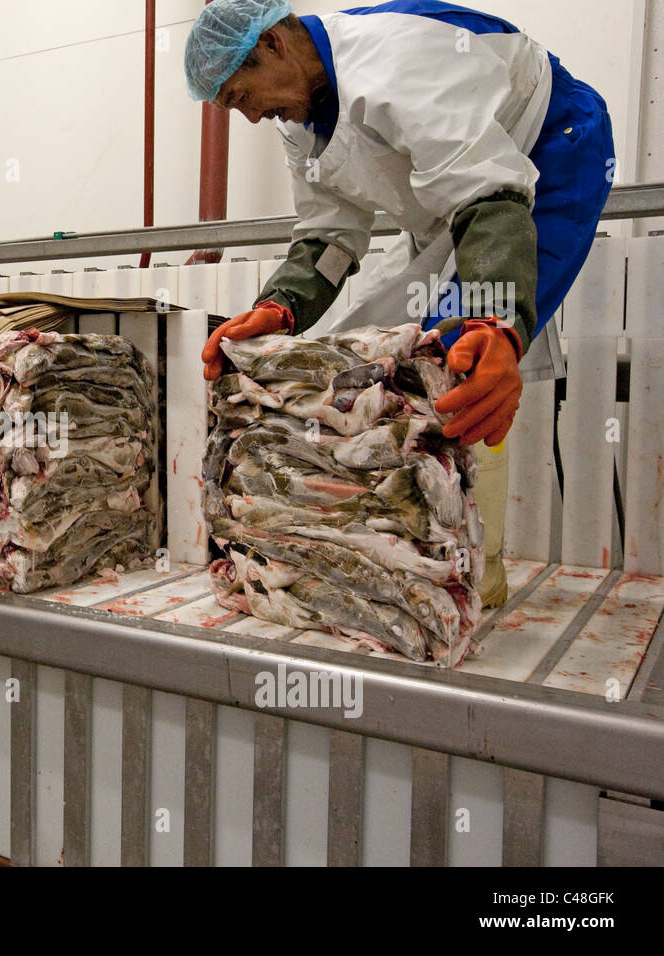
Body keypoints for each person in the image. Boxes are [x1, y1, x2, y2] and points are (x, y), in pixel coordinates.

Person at [186, 0, 615, 606]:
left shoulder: (393, 56)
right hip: (456, 199)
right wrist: (282, 306)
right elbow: (329, 235)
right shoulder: (297, 119)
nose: (250, 117)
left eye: (239, 96)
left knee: (460, 362)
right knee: (386, 364)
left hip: (552, 145)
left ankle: (474, 573)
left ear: (274, 47)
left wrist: (494, 322)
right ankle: (405, 559)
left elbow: (487, 189)